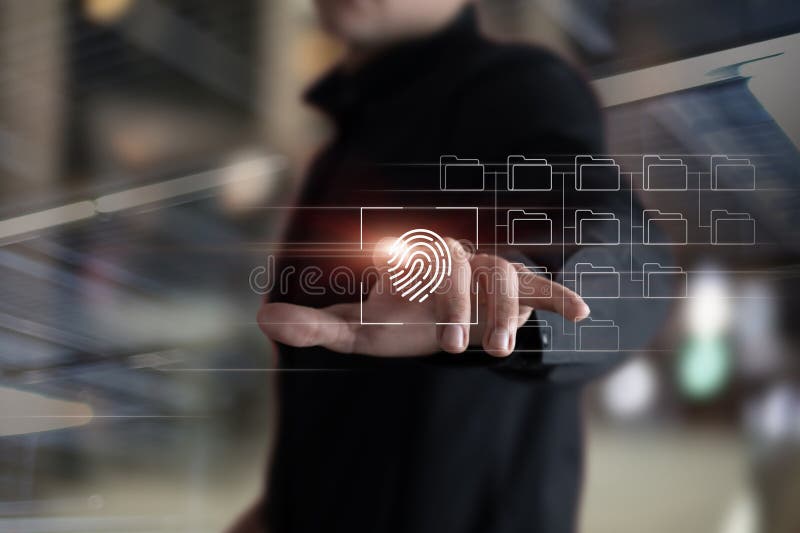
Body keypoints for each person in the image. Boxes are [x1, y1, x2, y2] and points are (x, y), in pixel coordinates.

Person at [233, 1, 648, 531]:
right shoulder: (345, 144)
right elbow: (331, 393)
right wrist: (284, 509)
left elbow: (617, 249)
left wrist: (523, 291)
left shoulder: (520, 88)